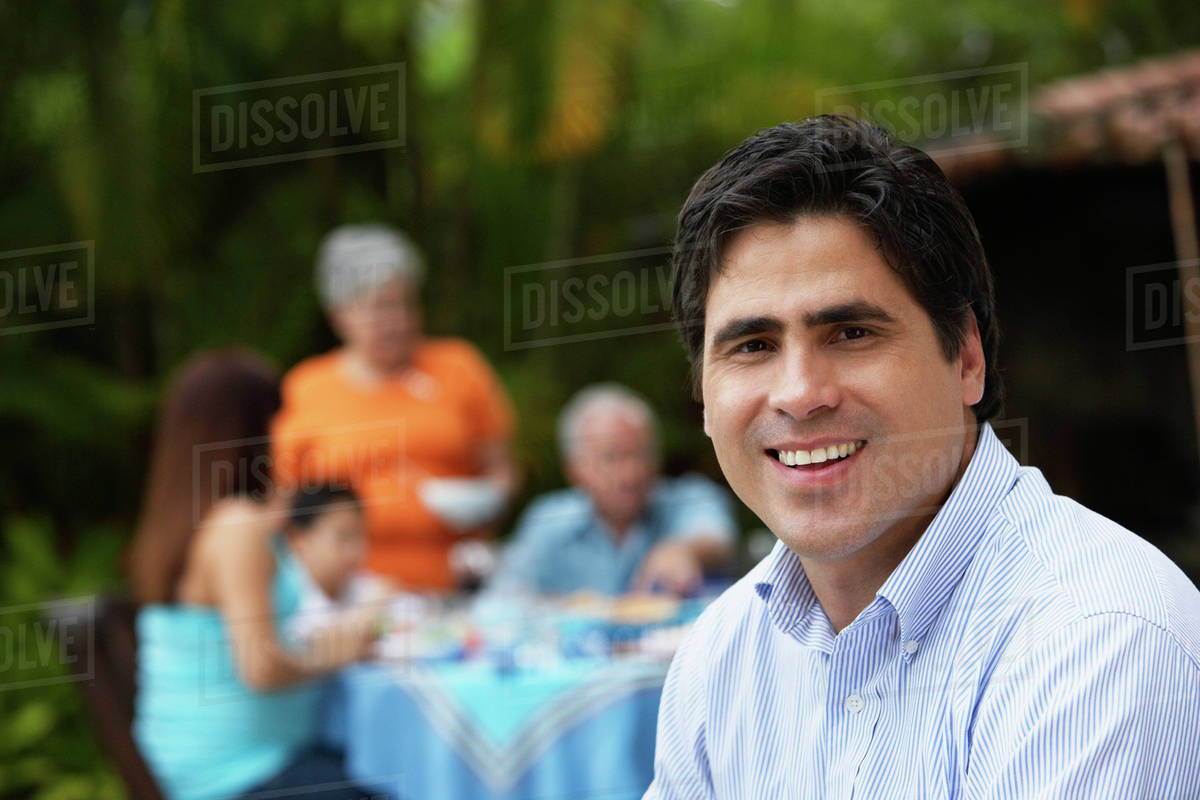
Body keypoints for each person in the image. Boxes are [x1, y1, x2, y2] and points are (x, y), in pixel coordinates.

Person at [645, 116, 1200, 798]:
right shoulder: (721, 659)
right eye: (753, 345)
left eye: (851, 332)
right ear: (703, 393)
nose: (799, 395)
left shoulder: (1098, 641)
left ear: (967, 356)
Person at [127, 351, 381, 800]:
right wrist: (340, 652)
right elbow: (260, 666)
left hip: (203, 760)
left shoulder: (180, 521)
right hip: (239, 773)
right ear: (249, 429)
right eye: (276, 419)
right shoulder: (237, 525)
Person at [271, 224, 517, 592]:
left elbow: (503, 471)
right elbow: (284, 501)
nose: (398, 320)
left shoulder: (459, 366)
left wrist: (488, 502)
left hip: (454, 585)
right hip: (347, 595)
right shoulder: (305, 387)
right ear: (340, 315)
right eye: (381, 307)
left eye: (406, 303)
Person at [490, 383, 736, 597]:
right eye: (612, 458)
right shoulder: (548, 520)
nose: (632, 472)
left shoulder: (689, 499)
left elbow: (714, 535)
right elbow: (505, 597)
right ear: (575, 469)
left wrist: (684, 551)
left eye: (641, 454)